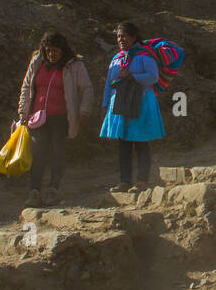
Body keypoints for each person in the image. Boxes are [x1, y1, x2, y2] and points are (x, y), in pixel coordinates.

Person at [15, 33, 93, 206]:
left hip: (60, 117)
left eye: (55, 51)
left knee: (58, 153)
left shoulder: (75, 66)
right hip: (37, 118)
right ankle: (34, 192)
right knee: (38, 154)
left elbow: (86, 88)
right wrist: (23, 112)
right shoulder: (37, 62)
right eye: (48, 51)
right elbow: (26, 86)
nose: (51, 55)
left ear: (63, 50)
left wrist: (84, 111)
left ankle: (53, 190)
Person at [100, 22, 166, 193]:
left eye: (124, 36)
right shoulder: (117, 59)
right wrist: (105, 104)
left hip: (141, 103)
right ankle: (125, 181)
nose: (121, 39)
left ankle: (142, 181)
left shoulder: (145, 56)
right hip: (120, 104)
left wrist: (131, 75)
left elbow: (153, 77)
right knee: (124, 143)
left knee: (141, 141)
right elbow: (109, 83)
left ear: (134, 37)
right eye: (118, 36)